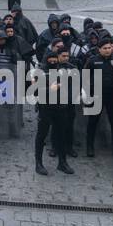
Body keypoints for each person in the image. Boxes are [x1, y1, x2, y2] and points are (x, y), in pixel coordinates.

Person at [34, 48, 77, 176]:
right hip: (45, 108)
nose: (52, 61)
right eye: (50, 59)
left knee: (61, 135)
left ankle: (62, 163)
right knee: (41, 135)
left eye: (54, 59)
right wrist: (50, 89)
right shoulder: (40, 72)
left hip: (61, 107)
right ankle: (39, 163)